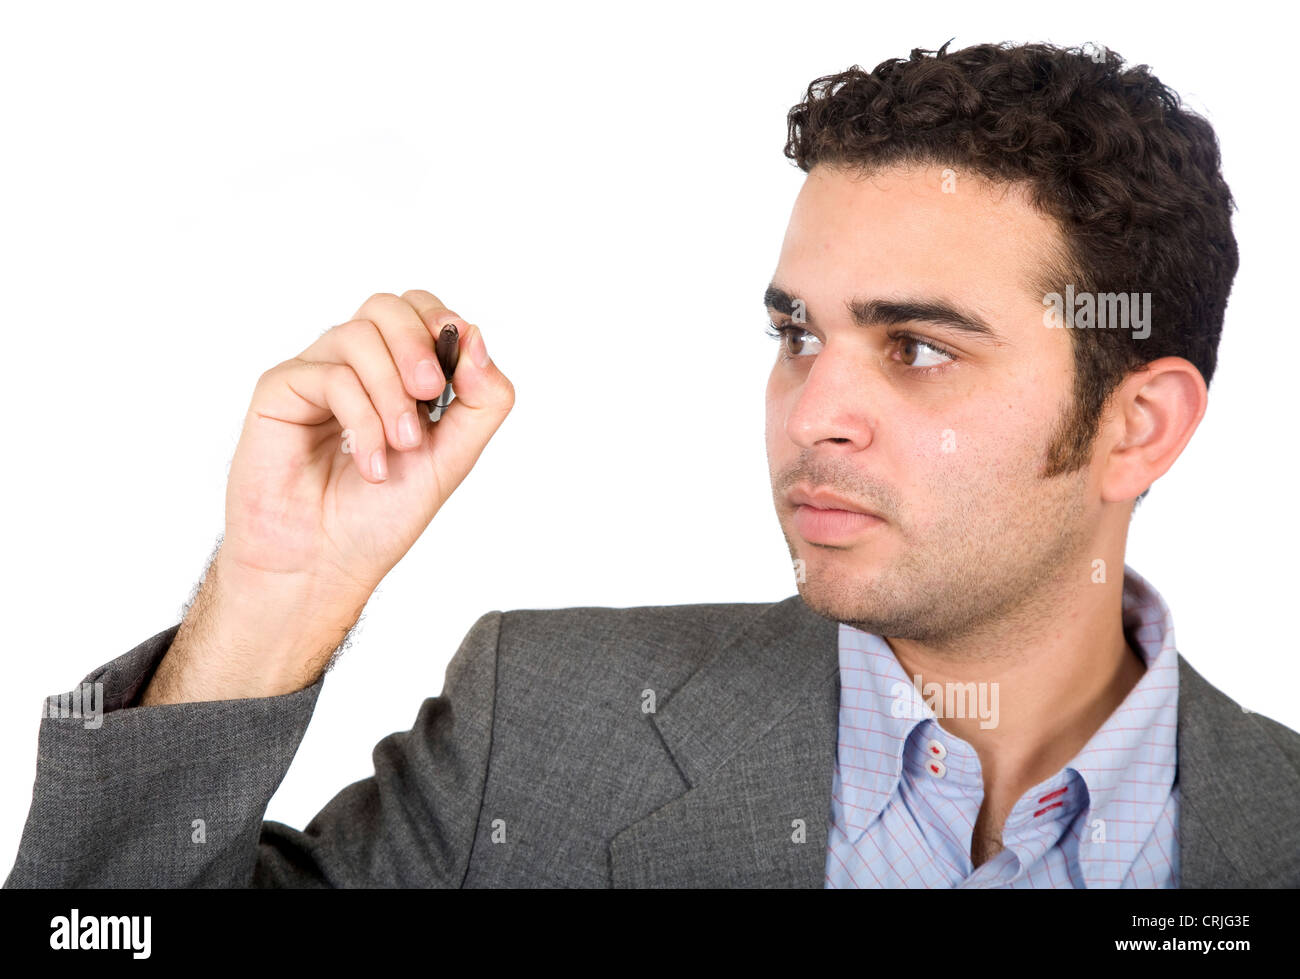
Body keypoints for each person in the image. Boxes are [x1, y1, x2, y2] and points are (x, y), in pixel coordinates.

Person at [8, 39, 1299, 889]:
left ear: (1140, 425)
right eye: (798, 335)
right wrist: (275, 594)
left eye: (916, 349)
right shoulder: (553, 725)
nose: (811, 415)